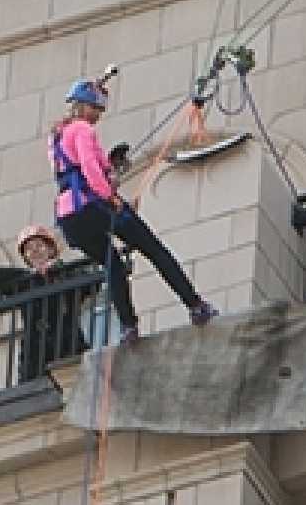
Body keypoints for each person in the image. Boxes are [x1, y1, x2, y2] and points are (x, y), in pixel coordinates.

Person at [27, 80, 214, 343]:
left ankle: (128, 327)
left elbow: (76, 169)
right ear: (86, 106)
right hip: (93, 205)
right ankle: (195, 305)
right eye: (97, 110)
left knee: (112, 266)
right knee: (154, 250)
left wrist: (111, 169)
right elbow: (90, 168)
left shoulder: (57, 135)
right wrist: (110, 197)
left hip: (70, 216)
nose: (99, 117)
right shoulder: (82, 129)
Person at [0, 226, 93, 379]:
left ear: (50, 251)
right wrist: (33, 274)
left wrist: (56, 269)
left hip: (66, 339)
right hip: (35, 348)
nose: (35, 251)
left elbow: (91, 283)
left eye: (39, 245)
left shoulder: (64, 275)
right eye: (29, 249)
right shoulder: (25, 283)